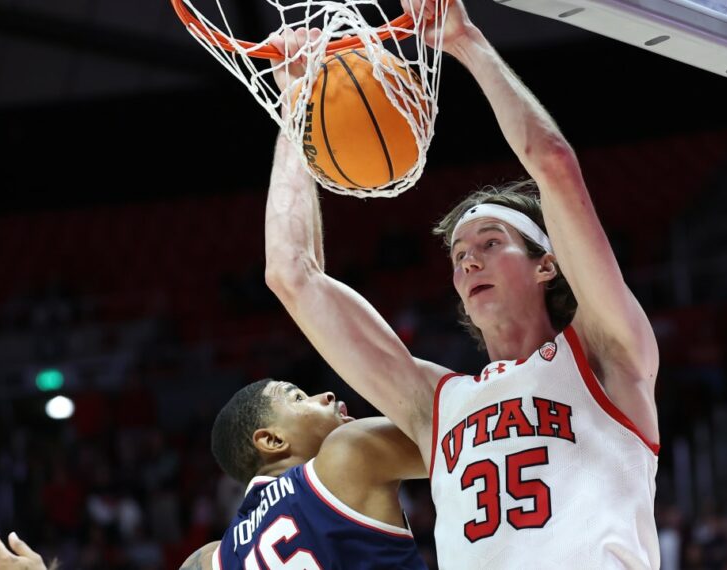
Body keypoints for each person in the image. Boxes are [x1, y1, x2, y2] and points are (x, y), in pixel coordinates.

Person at [263, 0, 661, 567]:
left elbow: (551, 161)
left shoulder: (605, 355)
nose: (469, 261)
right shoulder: (437, 403)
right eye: (459, 254)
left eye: (491, 243)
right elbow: (290, 274)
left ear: (546, 264)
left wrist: (465, 41)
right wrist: (297, 103)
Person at [0, 379, 427, 570]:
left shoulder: (210, 559)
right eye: (298, 396)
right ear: (270, 441)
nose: (326, 394)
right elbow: (470, 440)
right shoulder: (351, 452)